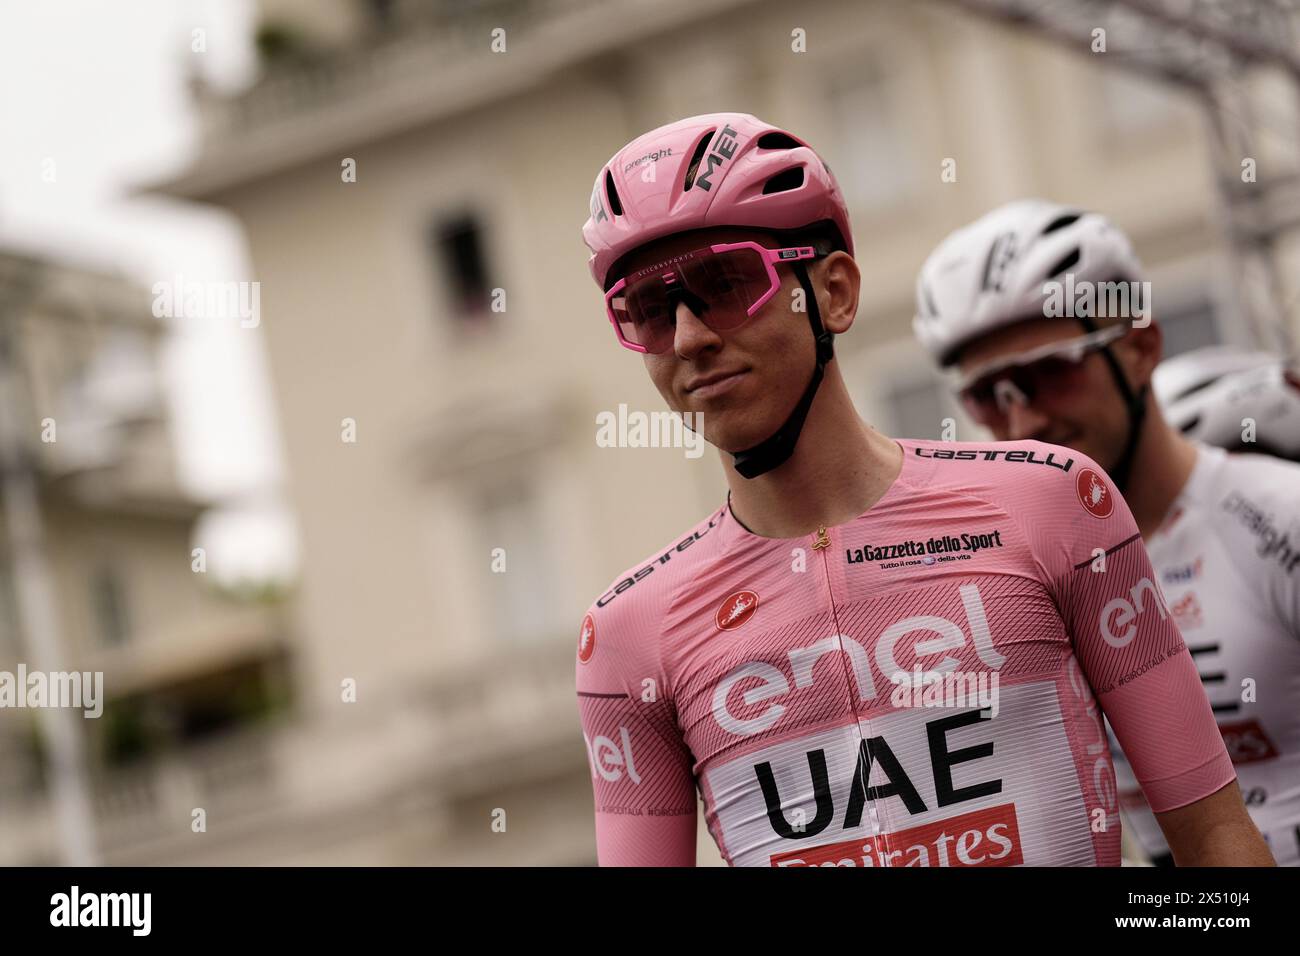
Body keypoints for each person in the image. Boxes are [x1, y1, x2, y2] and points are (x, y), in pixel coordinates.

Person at [574, 114, 1270, 867]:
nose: (688, 339)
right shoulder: (627, 635)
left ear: (834, 292)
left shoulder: (1055, 504)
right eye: (648, 309)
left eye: (725, 283)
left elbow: (1217, 847)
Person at [914, 198, 1298, 866]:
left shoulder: (1277, 515)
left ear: (1142, 348)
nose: (1022, 419)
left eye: (1050, 372)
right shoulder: (1018, 587)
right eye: (986, 393)